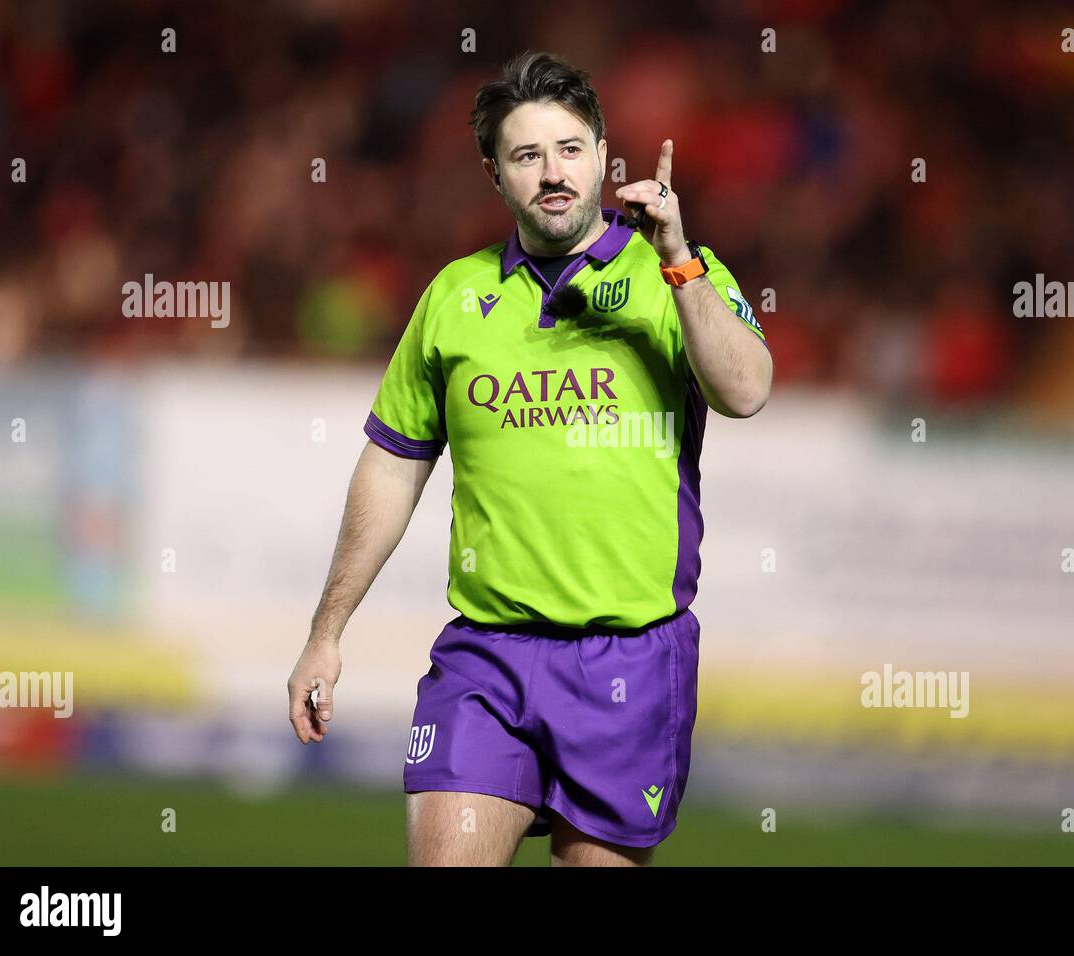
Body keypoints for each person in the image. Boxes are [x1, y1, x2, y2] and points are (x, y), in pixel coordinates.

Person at [287, 50, 771, 866]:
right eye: (527, 155)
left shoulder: (677, 275)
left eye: (571, 149)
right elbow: (393, 464)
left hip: (631, 662)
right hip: (490, 658)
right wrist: (326, 631)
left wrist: (680, 262)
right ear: (494, 174)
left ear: (604, 155)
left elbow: (747, 389)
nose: (554, 173)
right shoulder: (453, 298)